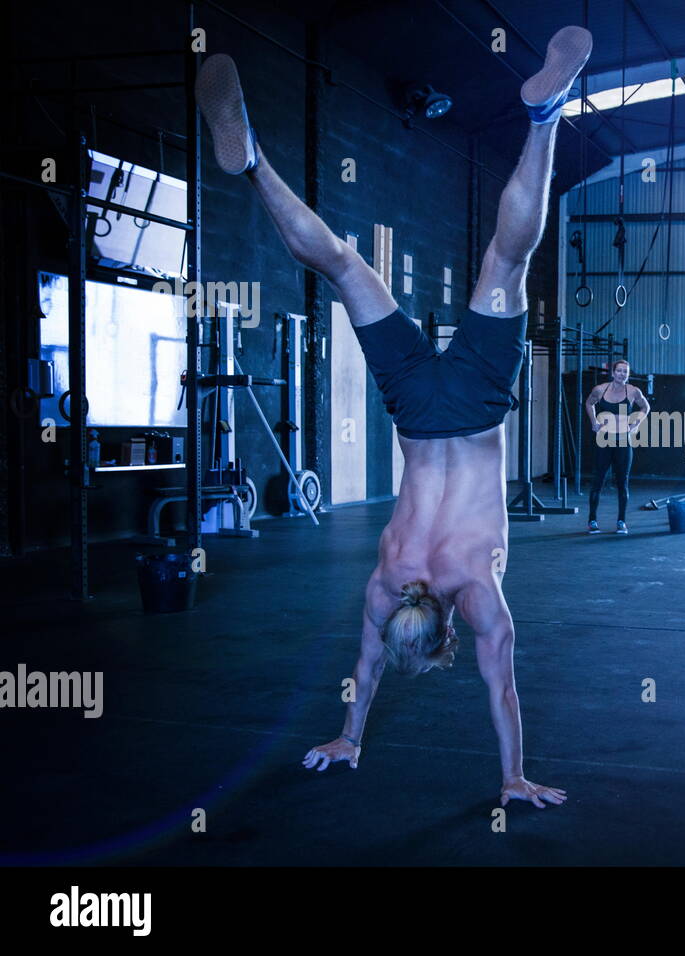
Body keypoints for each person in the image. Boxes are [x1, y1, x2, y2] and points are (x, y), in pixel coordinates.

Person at [195, 25, 595, 807]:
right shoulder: (383, 585)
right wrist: (348, 730)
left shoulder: (477, 594)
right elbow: (364, 667)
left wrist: (512, 776)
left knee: (504, 263)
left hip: (477, 406)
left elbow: (502, 693)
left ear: (447, 631)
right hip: (413, 408)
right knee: (343, 265)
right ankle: (253, 168)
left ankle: (544, 121)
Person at [583, 358, 649, 533]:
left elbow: (645, 407)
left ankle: (621, 521)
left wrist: (635, 424)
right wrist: (593, 422)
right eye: (619, 371)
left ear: (628, 375)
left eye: (625, 372)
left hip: (623, 441)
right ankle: (592, 521)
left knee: (623, 482)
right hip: (604, 440)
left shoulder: (633, 391)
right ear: (613, 373)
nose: (622, 374)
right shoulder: (599, 390)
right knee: (598, 481)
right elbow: (589, 403)